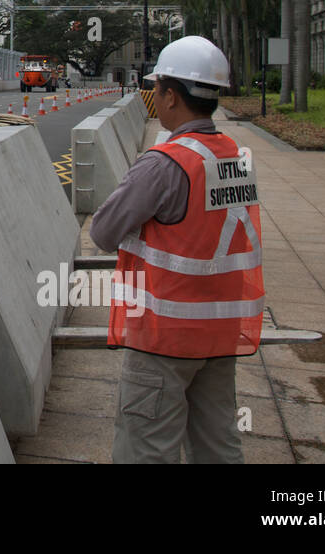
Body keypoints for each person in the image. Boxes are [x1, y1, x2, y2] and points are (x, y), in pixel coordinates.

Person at [89, 35, 264, 464]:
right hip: (221, 332)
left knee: (147, 448)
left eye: (157, 89)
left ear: (170, 96)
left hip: (165, 336)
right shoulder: (235, 159)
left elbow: (103, 231)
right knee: (218, 445)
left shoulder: (164, 162)